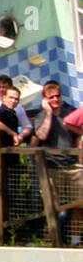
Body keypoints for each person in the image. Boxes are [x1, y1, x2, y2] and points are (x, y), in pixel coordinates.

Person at [33, 81, 83, 246]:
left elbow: (78, 133)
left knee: (79, 202)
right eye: (51, 97)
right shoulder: (41, 115)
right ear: (45, 99)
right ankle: (53, 240)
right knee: (52, 205)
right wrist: (48, 113)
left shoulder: (71, 111)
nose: (55, 99)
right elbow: (41, 135)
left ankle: (76, 241)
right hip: (51, 166)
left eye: (58, 96)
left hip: (72, 165)